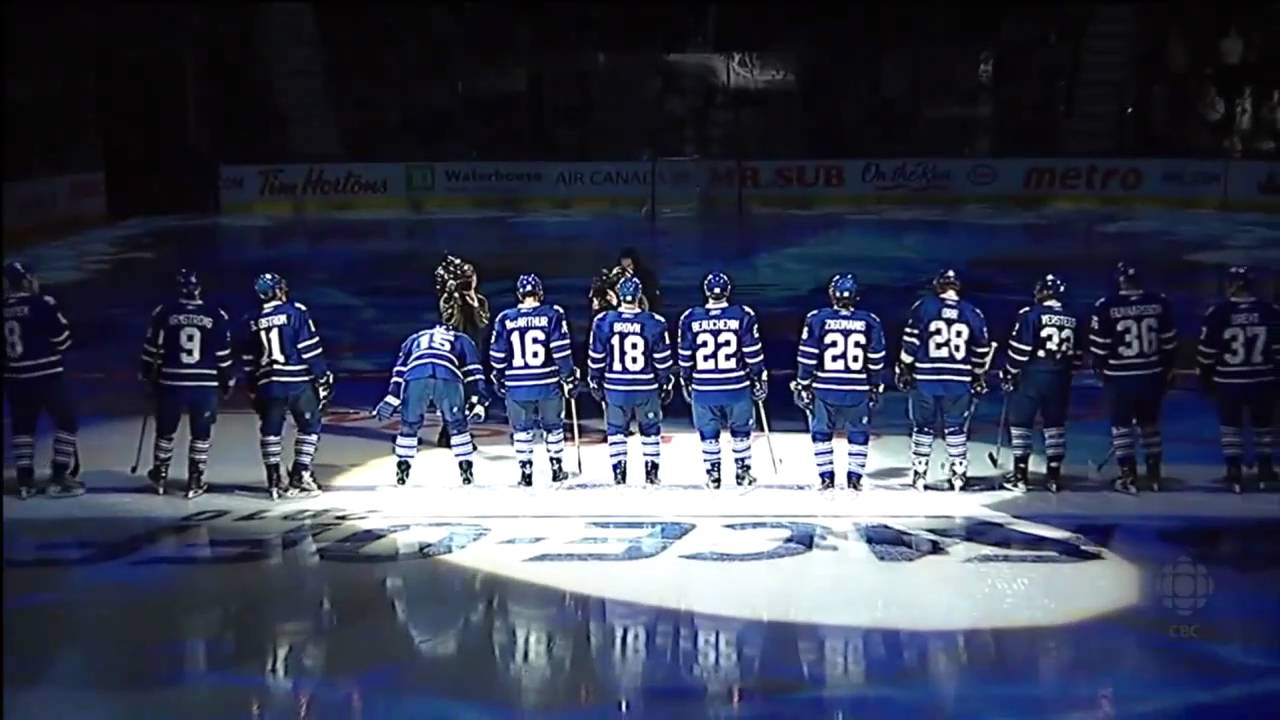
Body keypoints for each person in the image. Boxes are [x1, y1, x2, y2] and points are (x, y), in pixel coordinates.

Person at [138, 269, 235, 498]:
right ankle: (195, 479)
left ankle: (160, 474)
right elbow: (223, 354)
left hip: (171, 381)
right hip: (204, 384)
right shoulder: (216, 315)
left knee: (165, 431)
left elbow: (151, 348)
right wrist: (227, 380)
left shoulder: (164, 312)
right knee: (201, 433)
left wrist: (146, 374)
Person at [236, 273, 334, 499]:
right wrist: (322, 375)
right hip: (296, 381)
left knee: (270, 432)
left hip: (268, 383)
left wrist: (252, 385)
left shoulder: (251, 318)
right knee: (310, 426)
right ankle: (300, 474)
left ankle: (273, 480)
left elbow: (249, 359)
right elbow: (309, 348)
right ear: (279, 290)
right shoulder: (295, 312)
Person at [896, 269, 992, 491]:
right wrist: (978, 374)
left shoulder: (924, 307)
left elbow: (911, 342)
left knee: (923, 426)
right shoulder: (972, 312)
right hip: (958, 380)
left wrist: (904, 367)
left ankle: (920, 472)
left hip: (926, 377)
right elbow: (981, 349)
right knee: (955, 428)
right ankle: (958, 472)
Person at [1088, 261, 1177, 494]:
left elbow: (1100, 347)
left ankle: (1128, 476)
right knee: (1150, 425)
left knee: (1122, 427)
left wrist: (1099, 369)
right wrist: (1167, 369)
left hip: (1120, 377)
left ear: (1120, 280)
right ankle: (1154, 475)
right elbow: (1169, 342)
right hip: (1151, 375)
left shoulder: (1106, 306)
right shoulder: (1159, 303)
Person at [791, 273, 886, 490]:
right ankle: (854, 478)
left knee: (822, 433)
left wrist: (803, 382)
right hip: (856, 386)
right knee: (858, 432)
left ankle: (826, 477)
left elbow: (808, 355)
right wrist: (874, 383)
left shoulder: (818, 318)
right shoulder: (870, 321)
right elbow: (876, 357)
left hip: (825, 386)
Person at [677, 271, 767, 489]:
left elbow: (685, 355)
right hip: (736, 385)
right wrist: (758, 376)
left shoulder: (690, 317)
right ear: (728, 291)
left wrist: (686, 378)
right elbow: (752, 352)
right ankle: (742, 472)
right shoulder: (742, 315)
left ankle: (713, 474)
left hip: (704, 386)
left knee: (708, 433)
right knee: (741, 431)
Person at [374, 318, 487, 486]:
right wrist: (478, 398)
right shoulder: (462, 339)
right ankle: (466, 469)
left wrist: (393, 394)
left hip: (416, 375)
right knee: (457, 425)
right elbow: (473, 370)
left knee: (409, 425)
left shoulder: (415, 338)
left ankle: (403, 468)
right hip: (447, 375)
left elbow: (400, 368)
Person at [489, 274, 578, 487]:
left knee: (522, 429)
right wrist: (569, 376)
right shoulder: (553, 314)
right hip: (547, 382)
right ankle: (556, 468)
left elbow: (498, 355)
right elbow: (560, 350)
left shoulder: (505, 318)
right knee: (553, 426)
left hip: (517, 385)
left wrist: (499, 376)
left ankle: (525, 471)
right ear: (539, 292)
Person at [1197, 266, 1279, 492]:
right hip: (1262, 380)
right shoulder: (1270, 311)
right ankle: (1265, 469)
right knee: (1263, 426)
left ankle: (1234, 471)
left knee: (1231, 427)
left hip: (1229, 381)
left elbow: (1207, 352)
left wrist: (1205, 376)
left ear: (1232, 285)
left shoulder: (1218, 313)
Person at [999, 274, 1081, 493]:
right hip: (1060, 378)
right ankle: (1053, 476)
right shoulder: (1072, 316)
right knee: (1055, 426)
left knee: (1021, 423)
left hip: (1032, 376)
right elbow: (1078, 355)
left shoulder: (1029, 315)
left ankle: (1020, 475)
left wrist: (1009, 371)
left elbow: (1021, 350)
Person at [4, 261, 80, 498]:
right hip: (46, 376)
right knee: (67, 421)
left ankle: (24, 481)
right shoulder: (42, 304)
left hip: (14, 378)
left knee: (23, 429)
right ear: (26, 280)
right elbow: (63, 340)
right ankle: (59, 475)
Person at [587, 276, 674, 485]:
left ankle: (619, 474)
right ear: (638, 296)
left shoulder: (604, 321)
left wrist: (594, 379)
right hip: (645, 386)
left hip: (616, 387)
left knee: (616, 431)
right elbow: (662, 360)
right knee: (650, 430)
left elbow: (596, 356)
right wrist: (665, 382)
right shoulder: (654, 322)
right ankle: (651, 474)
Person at [434, 254, 490, 448]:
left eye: (471, 278)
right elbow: (449, 321)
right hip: (453, 351)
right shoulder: (448, 300)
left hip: (472, 352)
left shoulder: (480, 301)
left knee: (469, 393)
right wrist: (454, 297)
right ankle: (450, 432)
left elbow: (483, 322)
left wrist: (473, 301)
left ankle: (455, 431)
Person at [618, 247, 661, 314]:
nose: (626, 269)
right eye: (623, 267)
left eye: (629, 266)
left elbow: (650, 295)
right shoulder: (618, 276)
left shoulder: (646, 276)